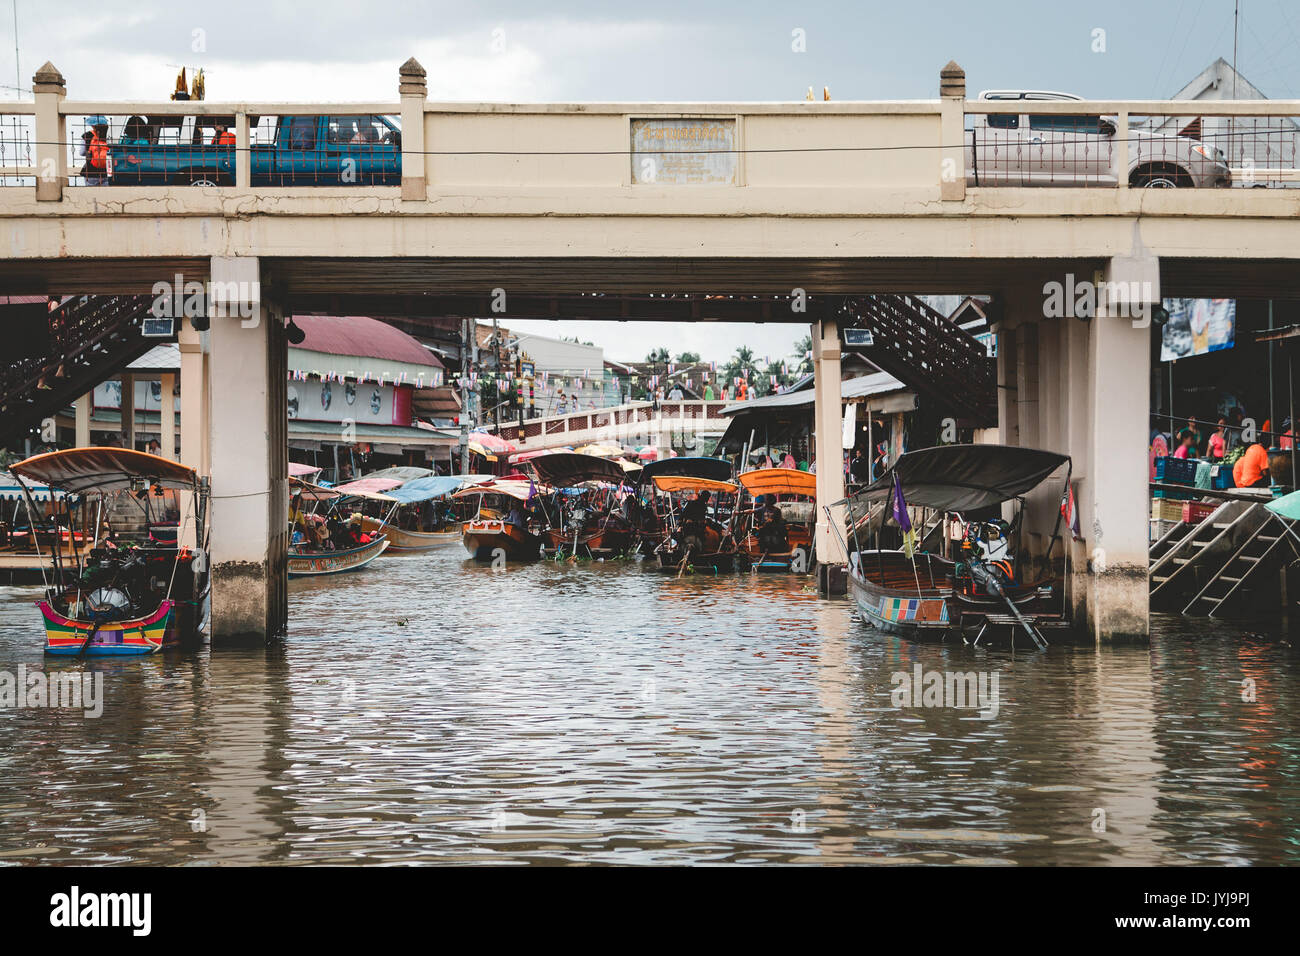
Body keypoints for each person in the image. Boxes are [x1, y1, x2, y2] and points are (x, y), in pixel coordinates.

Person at [82, 116, 110, 185]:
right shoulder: (109, 135)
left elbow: (81, 152)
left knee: (91, 191)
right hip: (106, 171)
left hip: (91, 171)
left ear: (92, 125)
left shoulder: (87, 135)